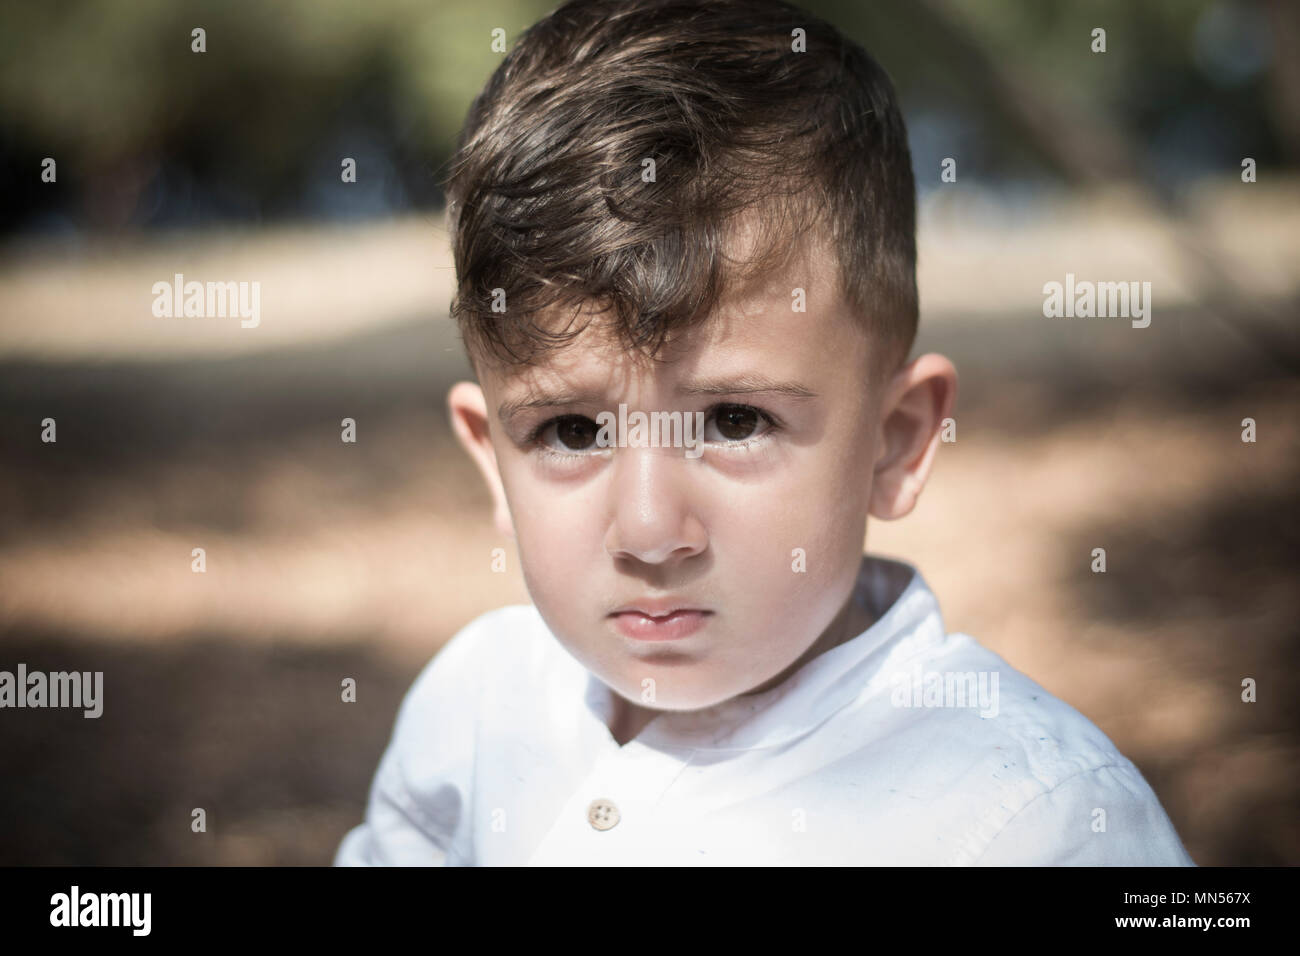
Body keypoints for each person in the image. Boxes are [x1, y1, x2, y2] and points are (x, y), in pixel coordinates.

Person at [335, 0, 1195, 865]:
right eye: (570, 431)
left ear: (894, 444)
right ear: (492, 463)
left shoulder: (1035, 818)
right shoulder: (475, 707)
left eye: (734, 420)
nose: (648, 532)